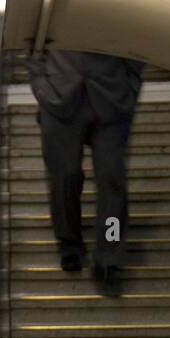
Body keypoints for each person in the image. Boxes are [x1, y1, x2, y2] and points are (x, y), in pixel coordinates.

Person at [24, 49, 144, 293]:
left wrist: (131, 86)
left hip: (112, 95)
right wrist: (40, 83)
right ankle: (69, 244)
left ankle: (109, 256)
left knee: (112, 181)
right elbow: (33, 36)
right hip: (59, 95)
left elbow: (135, 37)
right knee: (64, 176)